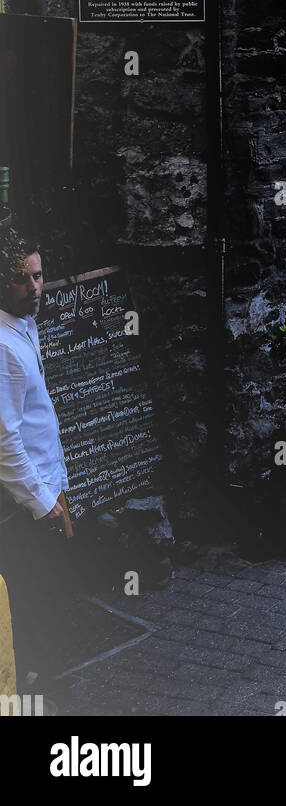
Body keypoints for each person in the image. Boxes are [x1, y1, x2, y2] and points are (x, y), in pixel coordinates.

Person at [0, 233, 73, 702]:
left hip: (47, 484)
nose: (35, 286)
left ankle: (39, 681)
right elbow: (3, 439)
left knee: (48, 591)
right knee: (29, 594)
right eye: (23, 279)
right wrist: (44, 502)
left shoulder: (25, 326)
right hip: (24, 503)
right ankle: (28, 689)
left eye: (38, 275)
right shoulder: (1, 346)